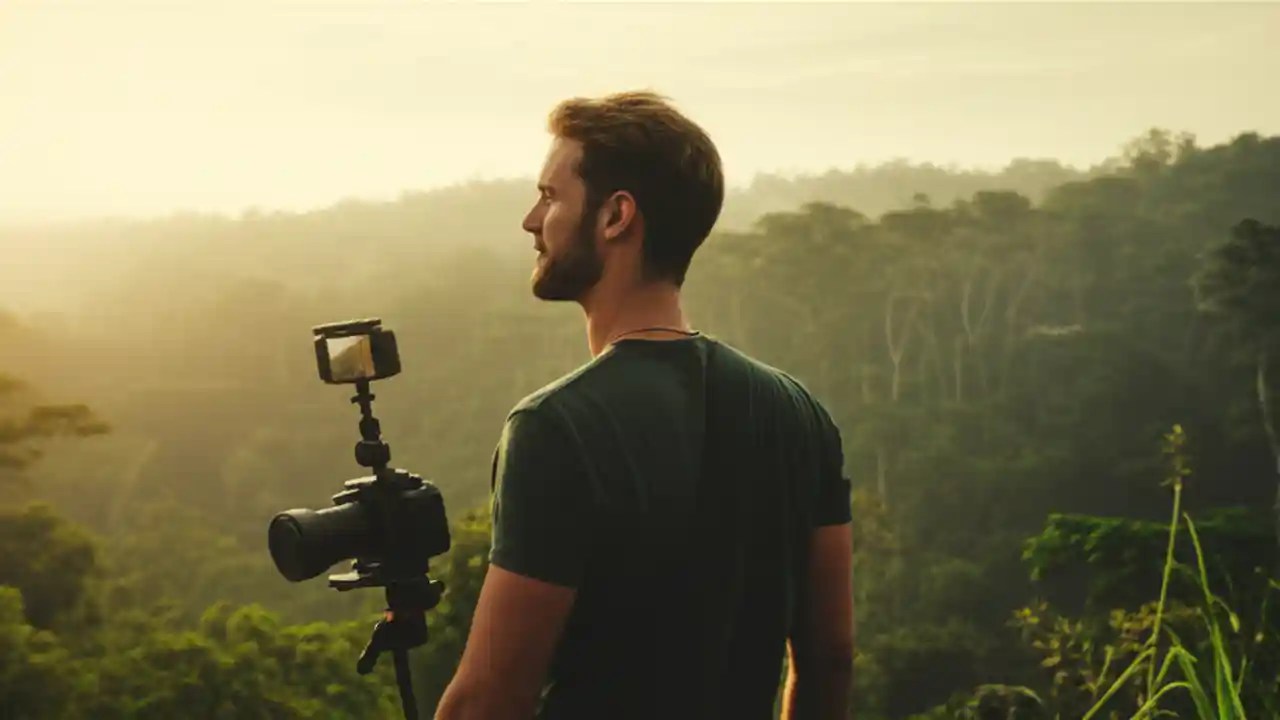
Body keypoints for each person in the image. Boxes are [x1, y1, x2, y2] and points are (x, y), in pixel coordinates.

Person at [434, 90, 853, 720]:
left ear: (616, 217)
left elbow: (490, 698)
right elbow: (830, 660)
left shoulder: (556, 428)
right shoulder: (799, 414)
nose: (530, 220)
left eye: (550, 197)